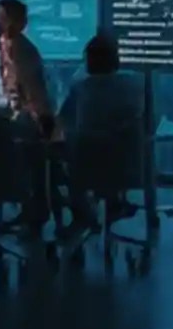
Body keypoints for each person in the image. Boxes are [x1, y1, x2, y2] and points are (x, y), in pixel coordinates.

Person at [58, 33, 145, 235]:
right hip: (128, 169)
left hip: (86, 170)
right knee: (110, 151)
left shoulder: (80, 89)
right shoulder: (135, 85)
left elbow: (63, 121)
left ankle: (83, 217)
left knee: (56, 159)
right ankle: (114, 204)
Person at [0, 0, 56, 230]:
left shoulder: (22, 49)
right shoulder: (7, 45)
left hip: (31, 116)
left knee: (33, 164)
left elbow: (33, 88)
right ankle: (32, 208)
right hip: (21, 112)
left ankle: (36, 209)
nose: (2, 23)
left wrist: (40, 118)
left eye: (6, 18)